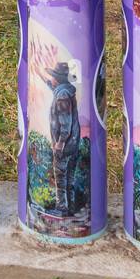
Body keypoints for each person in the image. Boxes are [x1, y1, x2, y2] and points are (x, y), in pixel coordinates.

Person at [48, 62, 81, 215]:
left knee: (60, 176)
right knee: (70, 177)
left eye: (53, 77)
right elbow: (53, 88)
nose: (51, 79)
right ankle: (71, 207)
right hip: (74, 142)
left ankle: (62, 208)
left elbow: (65, 122)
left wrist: (60, 143)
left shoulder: (62, 96)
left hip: (65, 144)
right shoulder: (66, 91)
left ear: (57, 79)